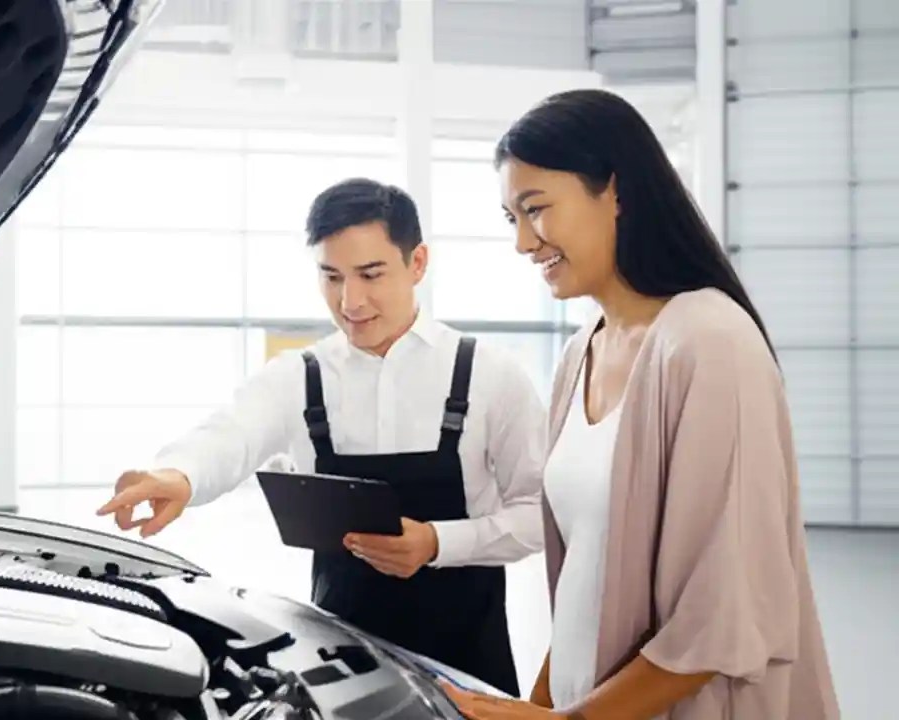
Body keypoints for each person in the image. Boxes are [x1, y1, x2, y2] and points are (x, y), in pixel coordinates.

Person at [440, 89, 840, 720]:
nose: (522, 242)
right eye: (509, 219)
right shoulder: (579, 355)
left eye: (535, 209)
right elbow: (584, 585)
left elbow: (724, 612)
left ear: (616, 192)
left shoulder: (709, 341)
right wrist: (537, 705)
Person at [95, 177, 548, 697]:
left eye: (370, 274)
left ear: (417, 263)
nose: (350, 300)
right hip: (341, 667)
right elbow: (230, 433)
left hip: (468, 664)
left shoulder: (491, 375)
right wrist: (176, 475)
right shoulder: (300, 376)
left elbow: (538, 511)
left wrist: (437, 543)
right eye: (330, 276)